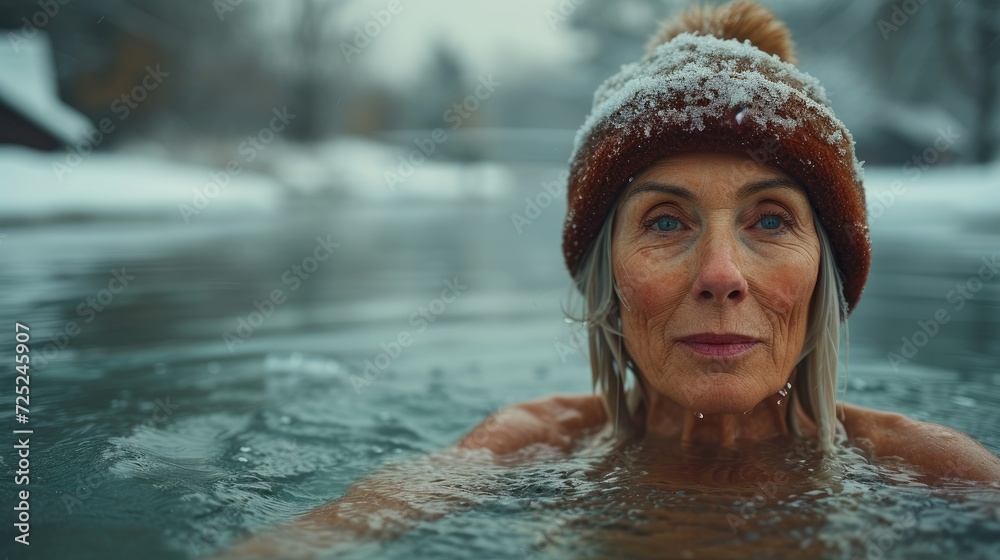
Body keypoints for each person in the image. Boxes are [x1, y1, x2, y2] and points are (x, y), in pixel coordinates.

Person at [218, 1, 1000, 557]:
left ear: (829, 271)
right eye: (666, 221)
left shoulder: (933, 473)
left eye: (769, 221)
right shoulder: (530, 449)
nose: (721, 275)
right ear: (605, 273)